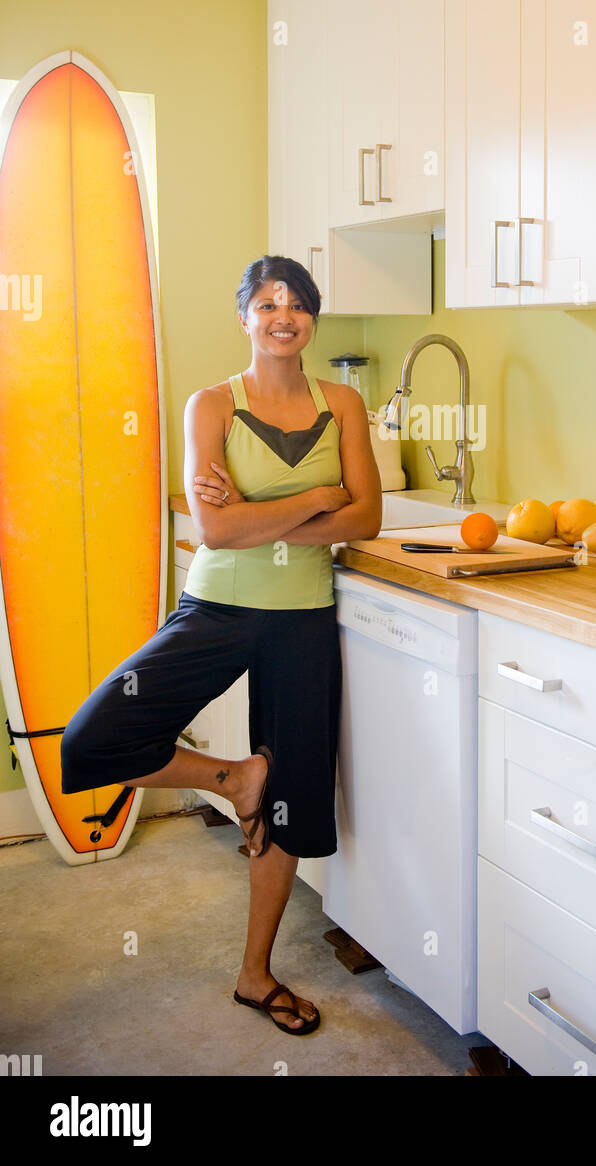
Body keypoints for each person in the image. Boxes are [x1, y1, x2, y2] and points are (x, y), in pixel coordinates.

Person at [61, 255, 382, 1034]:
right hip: (217, 606)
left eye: (298, 304)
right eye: (267, 304)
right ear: (244, 317)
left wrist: (257, 513)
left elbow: (366, 519)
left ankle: (254, 975)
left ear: (313, 318)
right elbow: (215, 531)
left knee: (294, 799)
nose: (283, 317)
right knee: (94, 735)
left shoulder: (344, 404)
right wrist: (315, 496)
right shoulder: (211, 405)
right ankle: (231, 778)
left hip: (303, 616)